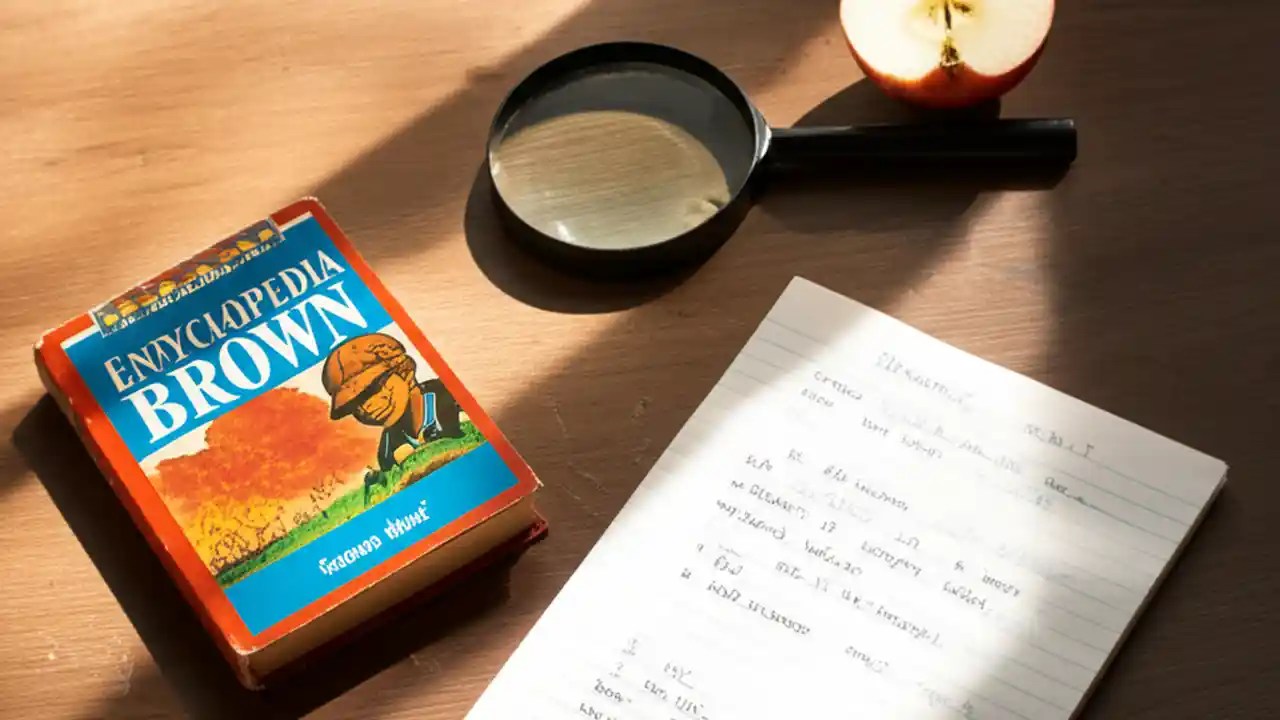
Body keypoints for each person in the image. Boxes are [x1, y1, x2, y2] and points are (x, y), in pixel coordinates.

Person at [322, 333, 463, 472]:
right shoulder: (388, 451)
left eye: (372, 390)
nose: (365, 408)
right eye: (353, 406)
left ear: (404, 371)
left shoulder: (456, 398)